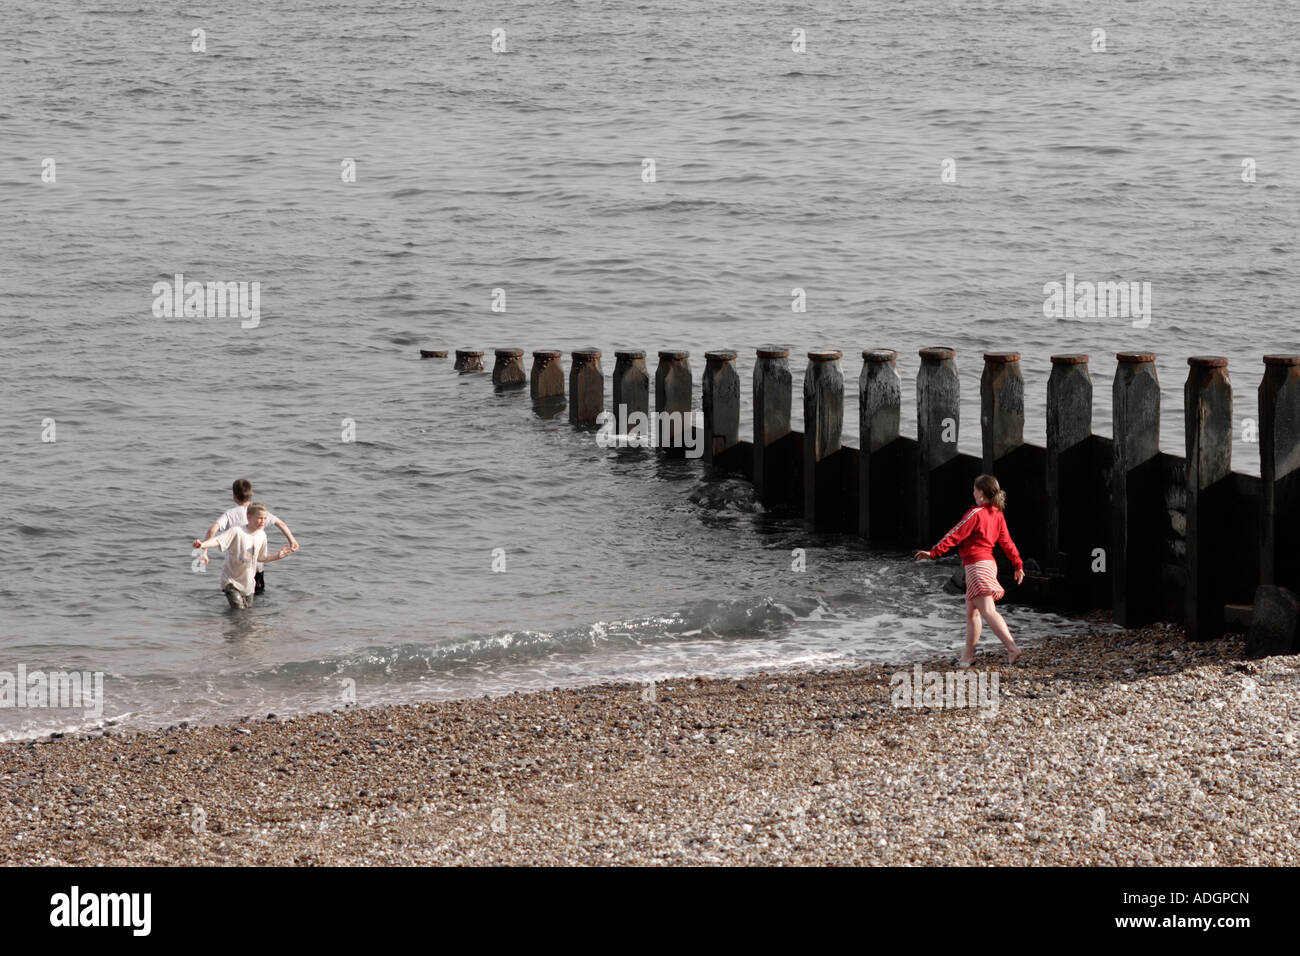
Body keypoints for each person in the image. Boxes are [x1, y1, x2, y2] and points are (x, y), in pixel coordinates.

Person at [914, 474, 1025, 667]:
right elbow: (1007, 543)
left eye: (975, 489)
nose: (973, 493)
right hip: (988, 564)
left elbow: (955, 534)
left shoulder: (976, 513)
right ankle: (967, 657)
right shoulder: (997, 514)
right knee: (972, 613)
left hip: (976, 565)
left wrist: (933, 553)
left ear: (981, 493)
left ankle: (1012, 648)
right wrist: (1018, 564)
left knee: (988, 610)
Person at [197, 479, 298, 593]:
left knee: (235, 595)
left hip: (235, 567)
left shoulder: (230, 514)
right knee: (256, 597)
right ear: (252, 494)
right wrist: (292, 541)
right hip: (256, 566)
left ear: (234, 497)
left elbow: (212, 530)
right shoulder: (259, 513)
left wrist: (204, 552)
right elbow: (281, 524)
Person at [192, 503, 292, 608]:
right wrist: (202, 545)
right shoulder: (237, 531)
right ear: (249, 516)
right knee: (239, 612)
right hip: (231, 581)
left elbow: (261, 558)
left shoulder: (262, 535)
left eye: (265, 518)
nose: (263, 521)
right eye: (259, 518)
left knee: (247, 615)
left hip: (248, 584)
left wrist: (277, 556)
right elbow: (217, 540)